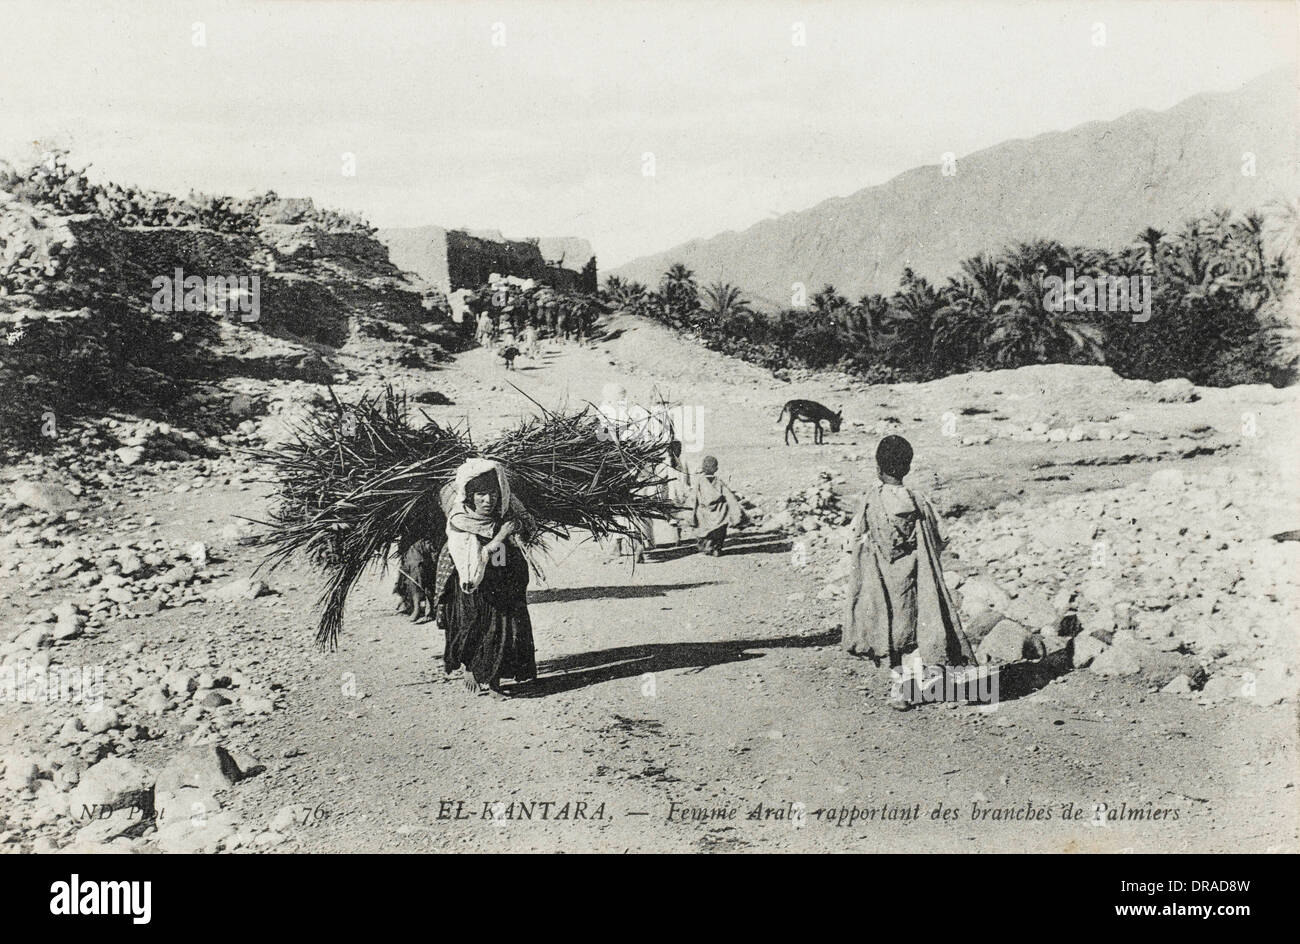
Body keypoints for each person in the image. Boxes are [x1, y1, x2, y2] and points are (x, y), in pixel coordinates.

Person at [841, 435, 975, 708]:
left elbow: (852, 539)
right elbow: (941, 537)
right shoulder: (918, 501)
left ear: (877, 468)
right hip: (914, 577)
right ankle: (909, 688)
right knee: (913, 630)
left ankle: (900, 687)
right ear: (909, 467)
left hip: (880, 578)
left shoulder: (871, 500)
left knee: (888, 629)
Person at [435, 459, 538, 696]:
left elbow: (527, 524)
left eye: (492, 494)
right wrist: (502, 535)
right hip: (472, 580)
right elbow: (474, 560)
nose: (487, 501)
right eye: (481, 495)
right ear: (469, 496)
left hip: (503, 577)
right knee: (476, 623)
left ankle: (494, 682)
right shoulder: (460, 519)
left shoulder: (506, 506)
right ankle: (470, 667)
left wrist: (519, 527)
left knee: (504, 625)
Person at [688, 454, 744, 555]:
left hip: (704, 514)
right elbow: (730, 498)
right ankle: (717, 548)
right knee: (720, 531)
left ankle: (708, 546)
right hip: (719, 513)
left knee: (703, 531)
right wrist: (737, 514)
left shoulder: (699, 482)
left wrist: (690, 515)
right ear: (716, 469)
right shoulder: (719, 482)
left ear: (703, 468)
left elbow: (693, 499)